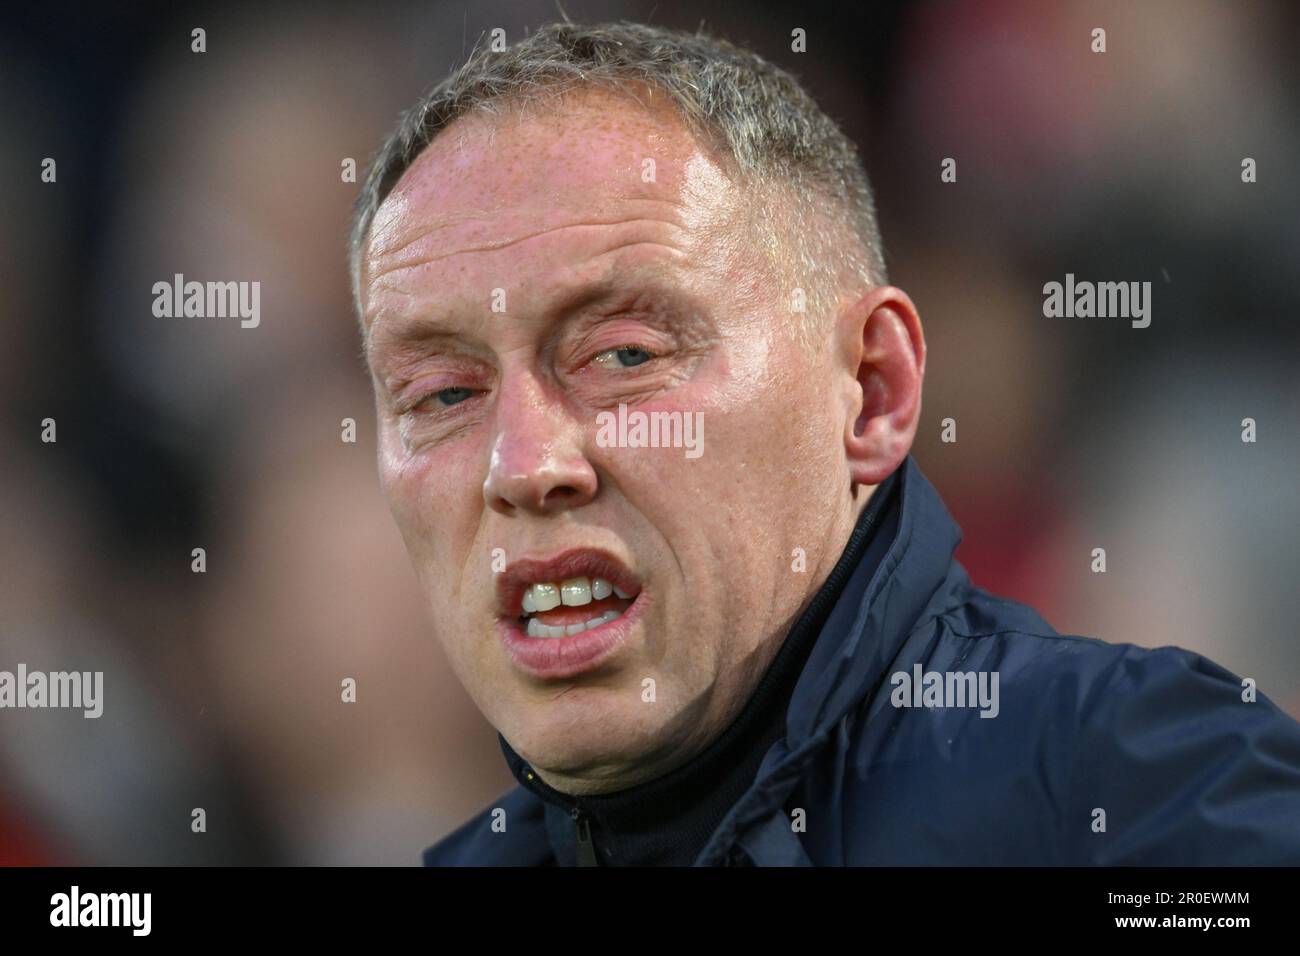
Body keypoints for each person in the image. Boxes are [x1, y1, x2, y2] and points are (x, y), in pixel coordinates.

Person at [347, 21, 1300, 865]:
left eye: (624, 353)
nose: (523, 465)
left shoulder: (1148, 795)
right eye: (441, 394)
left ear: (872, 391)